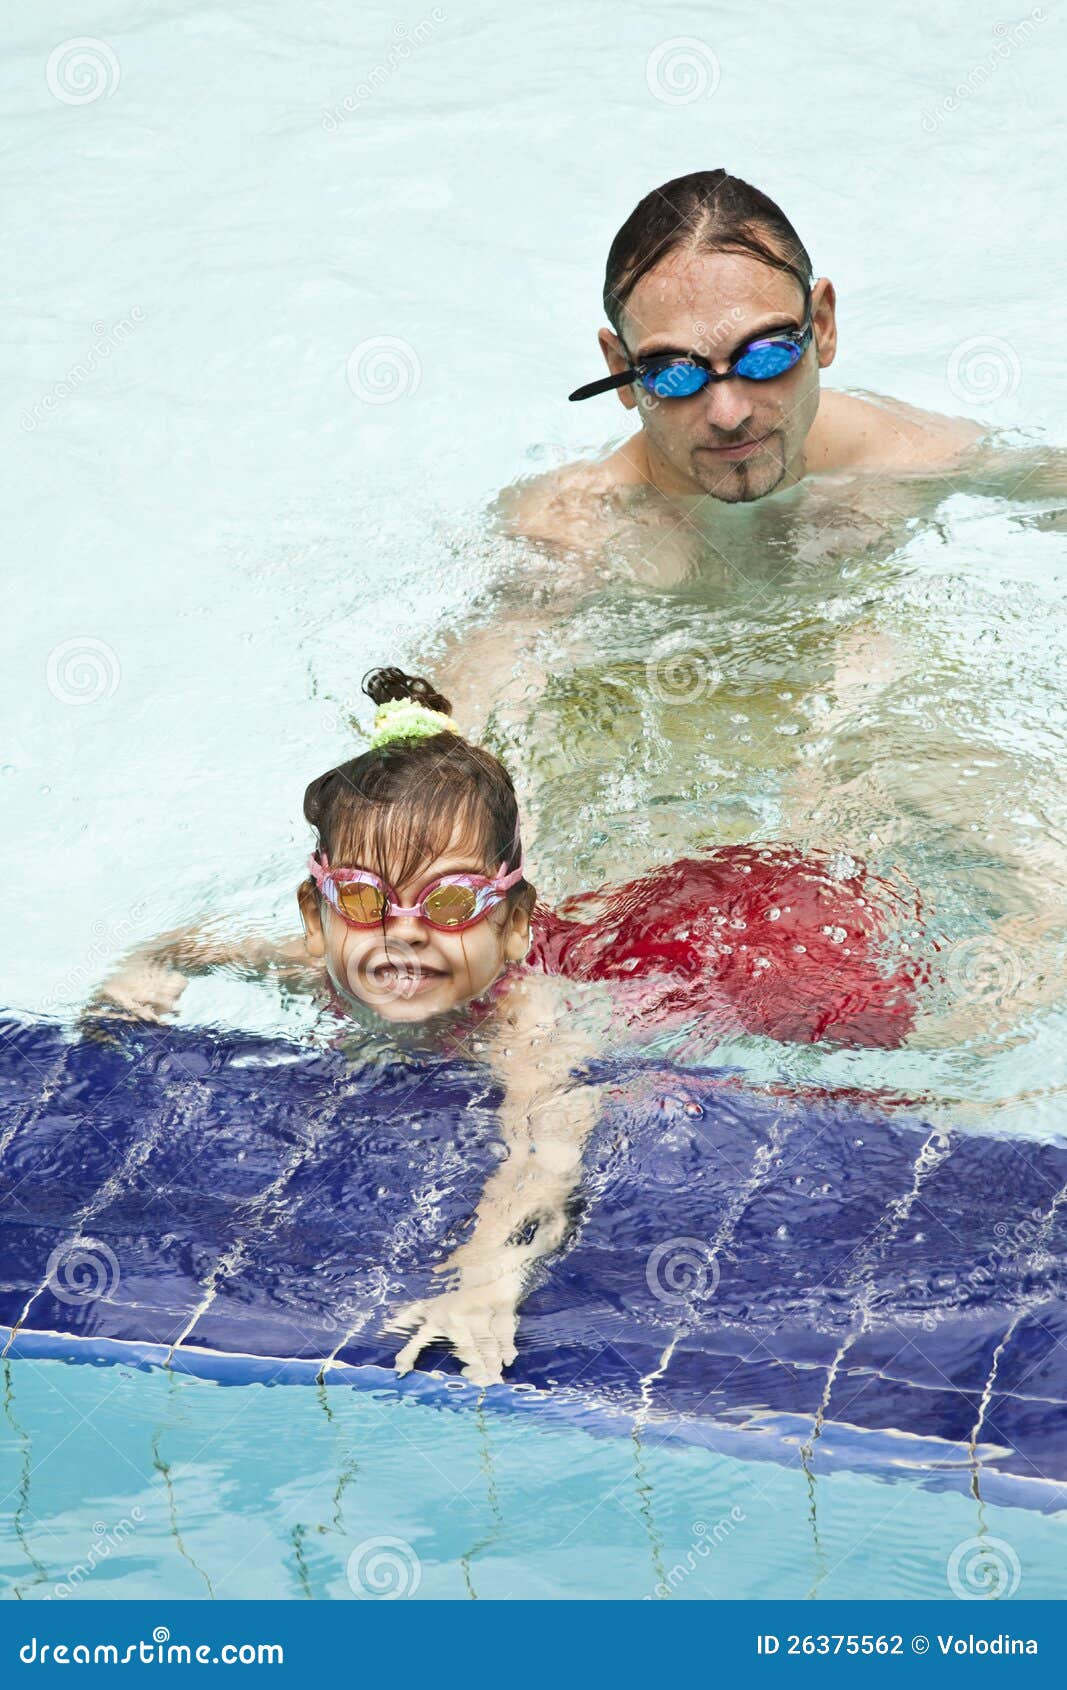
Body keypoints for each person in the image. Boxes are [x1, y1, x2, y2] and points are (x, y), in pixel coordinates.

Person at [90, 668, 925, 1383]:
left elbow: (546, 1143)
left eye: (449, 903)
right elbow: (191, 945)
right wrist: (146, 966)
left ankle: (843, 735)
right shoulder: (323, 964)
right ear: (317, 915)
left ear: (513, 925)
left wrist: (486, 1276)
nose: (403, 931)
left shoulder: (522, 1021)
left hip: (731, 951)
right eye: (363, 899)